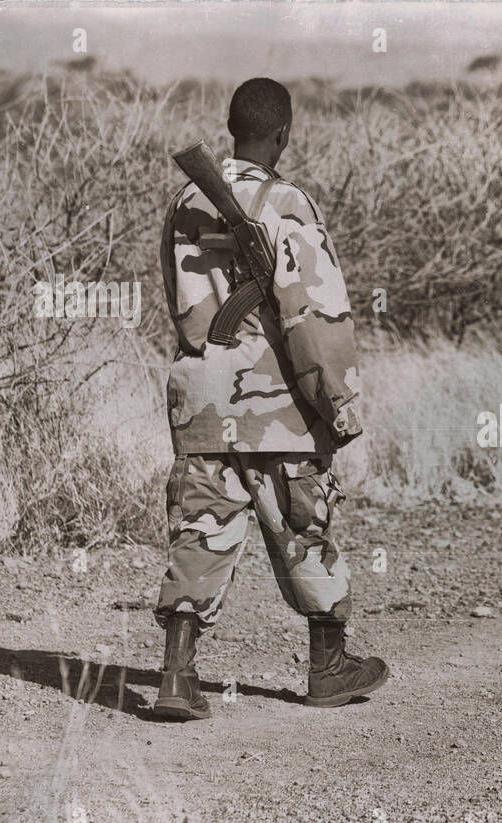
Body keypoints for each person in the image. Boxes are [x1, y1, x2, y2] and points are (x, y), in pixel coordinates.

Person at [152, 77, 387, 718]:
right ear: (283, 132)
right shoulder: (288, 202)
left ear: (233, 127)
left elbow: (182, 303)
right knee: (305, 529)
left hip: (203, 397)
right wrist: (338, 401)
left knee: (200, 527)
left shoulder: (185, 202)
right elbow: (315, 315)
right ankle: (328, 666)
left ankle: (177, 674)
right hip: (276, 404)